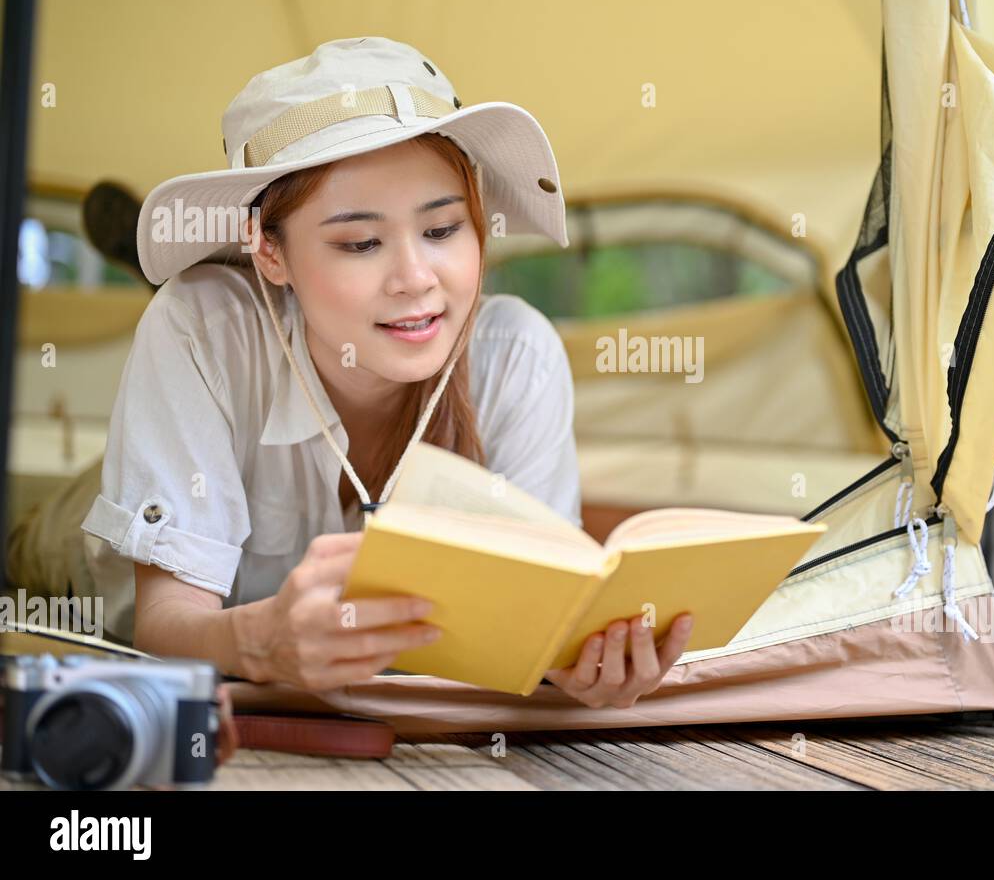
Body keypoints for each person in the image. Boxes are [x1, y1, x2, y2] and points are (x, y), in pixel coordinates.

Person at [7, 37, 692, 707]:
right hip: (71, 557)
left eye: (443, 229)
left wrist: (570, 668)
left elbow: (535, 628)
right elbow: (163, 620)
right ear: (268, 253)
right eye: (361, 242)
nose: (416, 279)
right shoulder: (197, 327)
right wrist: (258, 642)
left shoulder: (516, 356)